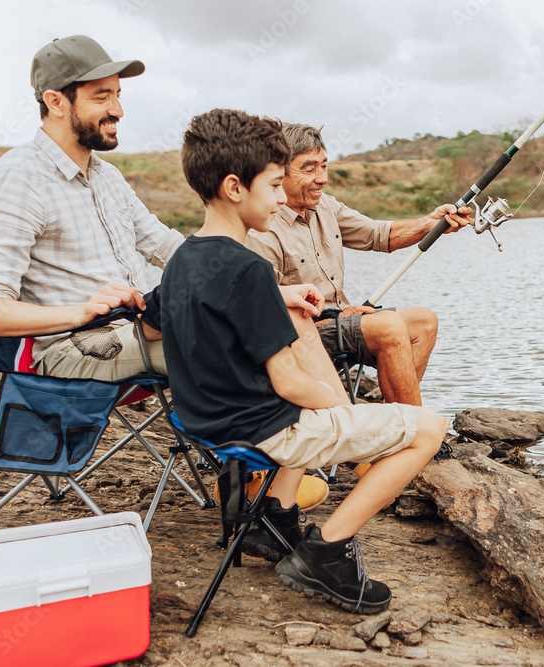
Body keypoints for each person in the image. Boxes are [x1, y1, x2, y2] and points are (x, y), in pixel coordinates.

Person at [0, 35, 332, 507]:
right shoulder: (15, 179)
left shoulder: (108, 177)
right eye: (101, 97)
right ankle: (264, 482)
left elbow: (174, 249)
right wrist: (80, 311)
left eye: (118, 95)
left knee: (289, 316)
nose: (117, 109)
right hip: (78, 345)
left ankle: (308, 458)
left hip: (149, 323)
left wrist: (268, 290)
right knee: (240, 340)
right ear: (55, 101)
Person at [141, 108, 444, 614]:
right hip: (263, 430)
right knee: (429, 428)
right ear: (236, 188)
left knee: (305, 345)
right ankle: (326, 552)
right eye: (276, 185)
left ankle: (274, 516)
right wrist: (339, 409)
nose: (283, 198)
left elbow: (150, 324)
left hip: (204, 422)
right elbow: (288, 383)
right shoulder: (249, 271)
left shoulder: (184, 260)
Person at [245, 124, 472, 407]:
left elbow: (381, 235)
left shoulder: (326, 206)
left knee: (424, 321)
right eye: (310, 168)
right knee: (388, 326)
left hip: (340, 320)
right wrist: (336, 317)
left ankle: (396, 418)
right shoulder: (263, 226)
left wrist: (431, 222)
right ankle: (413, 429)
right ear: (280, 172)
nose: (322, 178)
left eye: (324, 166)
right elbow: (265, 309)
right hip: (302, 337)